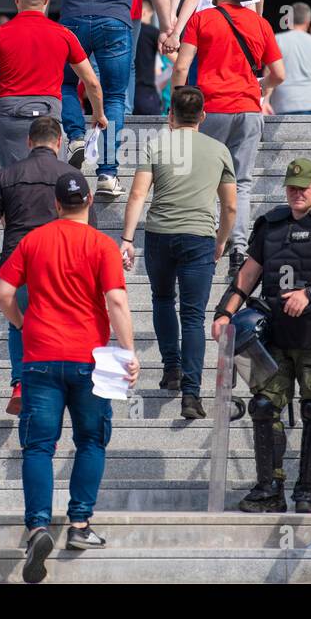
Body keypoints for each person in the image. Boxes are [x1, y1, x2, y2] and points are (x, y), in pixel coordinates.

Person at [0, 170, 138, 584]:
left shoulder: (32, 241)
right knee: (90, 441)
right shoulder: (102, 244)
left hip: (39, 358)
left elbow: (3, 293)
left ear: (55, 204)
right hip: (89, 360)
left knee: (38, 446)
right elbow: (116, 301)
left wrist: (22, 324)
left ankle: (38, 527)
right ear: (90, 201)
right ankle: (79, 526)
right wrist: (128, 352)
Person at [211, 158, 311, 514]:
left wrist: (309, 293)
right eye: (292, 187)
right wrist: (224, 313)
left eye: (304, 186)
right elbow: (247, 277)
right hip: (275, 331)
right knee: (263, 406)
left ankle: (307, 489)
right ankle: (268, 489)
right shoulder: (270, 226)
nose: (297, 193)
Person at [40, 0, 175, 197]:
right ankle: (107, 174)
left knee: (66, 84)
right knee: (115, 95)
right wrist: (168, 28)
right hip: (116, 23)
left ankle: (74, 136)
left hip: (72, 22)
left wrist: (37, 20)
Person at [120, 86, 237, 419]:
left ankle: (170, 367)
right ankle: (191, 394)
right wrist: (221, 240)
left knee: (161, 299)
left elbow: (136, 196)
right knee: (193, 317)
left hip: (159, 235)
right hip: (199, 237)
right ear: (202, 115)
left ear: (170, 116)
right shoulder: (219, 150)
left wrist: (127, 239)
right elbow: (229, 206)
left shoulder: (156, 145)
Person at [0, 116, 99, 415]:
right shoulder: (71, 175)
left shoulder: (7, 175)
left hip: (17, 265)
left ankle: (20, 382)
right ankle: (59, 389)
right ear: (59, 143)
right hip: (63, 266)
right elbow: (89, 226)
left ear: (28, 142)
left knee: (18, 324)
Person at [172, 0, 284, 278]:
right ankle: (238, 251)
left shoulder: (201, 19)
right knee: (242, 182)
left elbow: (182, 68)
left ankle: (200, 244)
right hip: (249, 111)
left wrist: (176, 107)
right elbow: (279, 74)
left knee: (203, 180)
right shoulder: (260, 24)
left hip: (212, 110)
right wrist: (261, 94)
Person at [0, 0, 105, 171]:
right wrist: (98, 114)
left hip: (9, 117)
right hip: (48, 116)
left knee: (9, 181)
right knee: (48, 179)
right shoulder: (65, 34)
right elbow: (92, 82)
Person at [265, 1, 311, 115]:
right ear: (308, 22)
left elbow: (270, 73)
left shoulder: (278, 40)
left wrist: (265, 101)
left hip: (284, 102)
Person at [133, 0, 165, 116]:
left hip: (125, 93)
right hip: (146, 91)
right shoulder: (151, 32)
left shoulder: (126, 31)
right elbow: (174, 57)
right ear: (145, 12)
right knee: (153, 132)